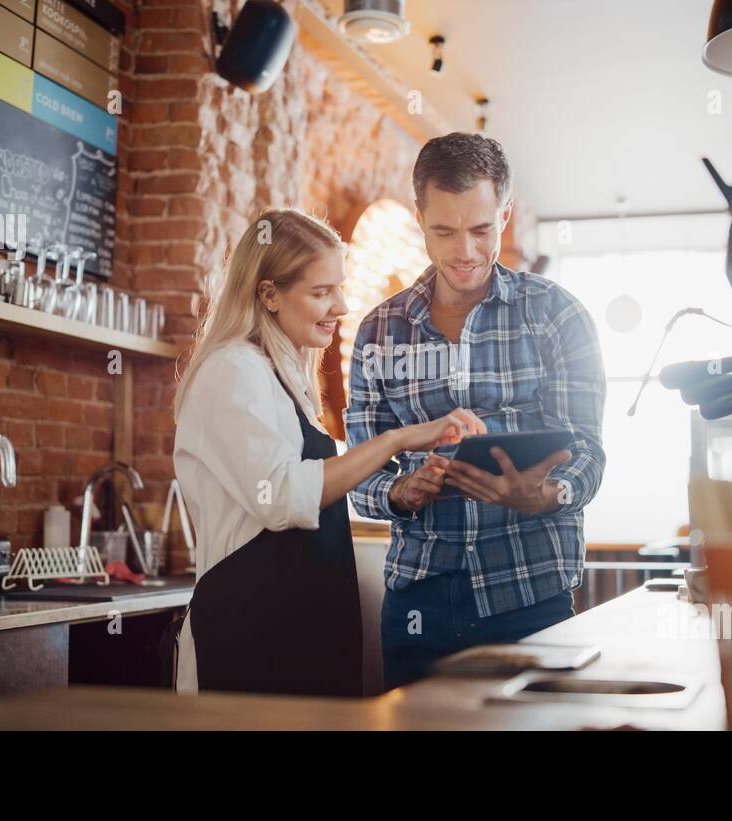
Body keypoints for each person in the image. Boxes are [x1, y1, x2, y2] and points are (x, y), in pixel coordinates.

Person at [172, 208, 484, 696]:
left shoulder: (285, 375)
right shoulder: (232, 370)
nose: (339, 306)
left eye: (339, 287)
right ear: (269, 294)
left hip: (300, 631)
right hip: (247, 639)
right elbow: (280, 497)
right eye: (321, 292)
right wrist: (397, 439)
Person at [345, 134, 607, 689]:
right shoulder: (378, 331)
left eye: (482, 229)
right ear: (419, 218)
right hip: (418, 601)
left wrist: (546, 495)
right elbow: (360, 470)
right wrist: (398, 492)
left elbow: (586, 452)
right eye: (443, 230)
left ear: (504, 214)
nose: (464, 250)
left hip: (530, 593)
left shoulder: (558, 316)